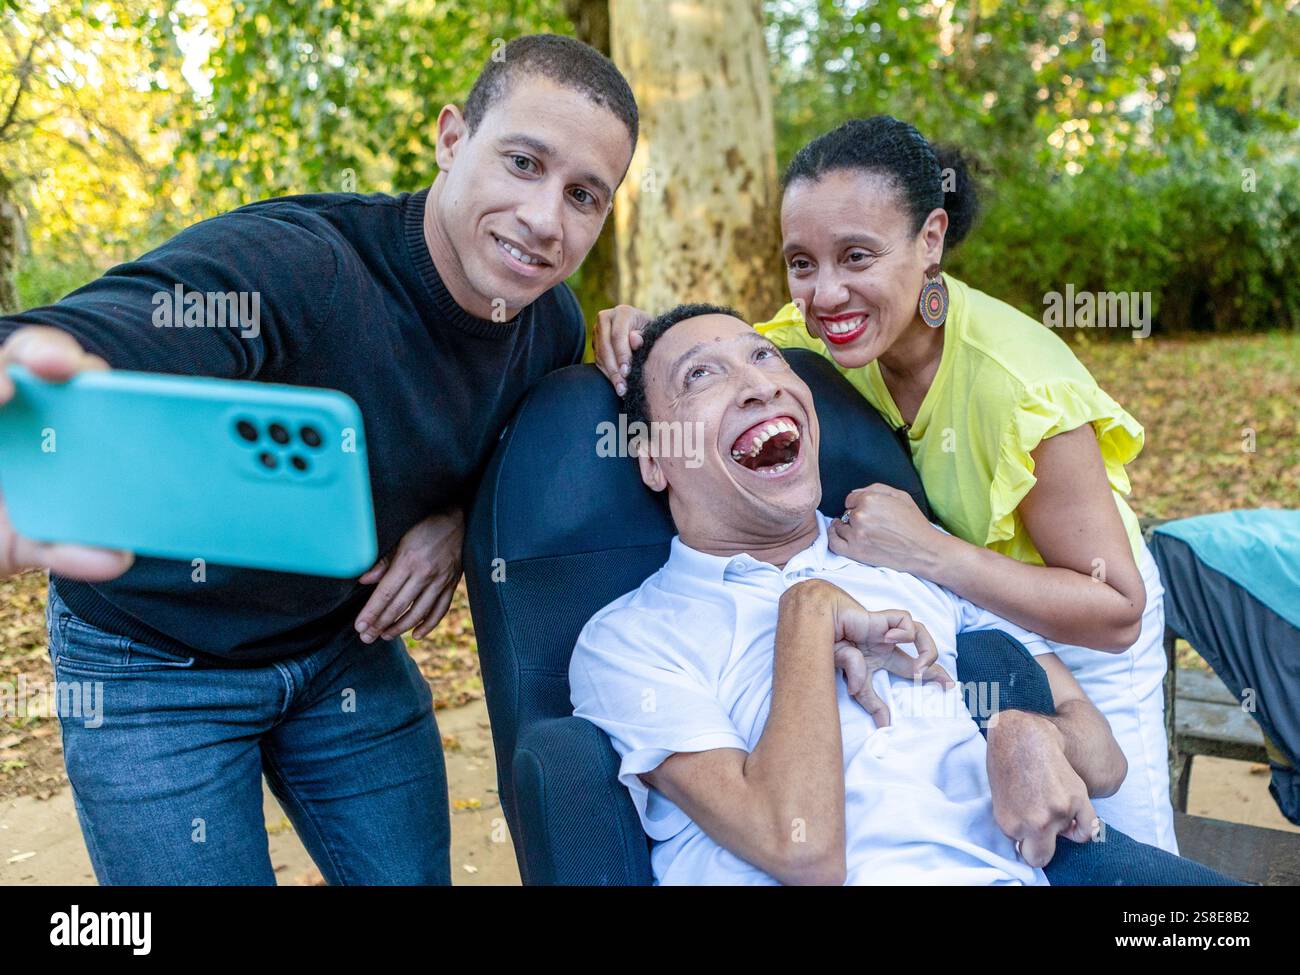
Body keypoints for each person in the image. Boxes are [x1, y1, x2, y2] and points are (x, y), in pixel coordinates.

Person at [0, 33, 637, 885]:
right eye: (523, 162)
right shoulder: (301, 266)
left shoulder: (550, 324)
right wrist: (30, 396)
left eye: (585, 195)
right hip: (152, 666)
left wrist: (457, 520)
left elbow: (523, 445)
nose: (545, 218)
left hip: (346, 648)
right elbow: (92, 337)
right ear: (452, 141)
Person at [591, 116, 1177, 853]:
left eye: (857, 255)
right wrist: (642, 333)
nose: (825, 292)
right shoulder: (819, 336)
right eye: (800, 263)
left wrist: (929, 554)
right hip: (946, 600)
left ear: (930, 240)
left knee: (1127, 855)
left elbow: (1116, 609)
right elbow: (717, 357)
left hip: (1081, 616)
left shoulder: (1021, 383)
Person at [571, 304, 1135, 885]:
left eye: (764, 355)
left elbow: (1107, 761)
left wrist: (1035, 735)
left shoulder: (909, 548)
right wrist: (809, 612)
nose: (758, 386)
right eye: (701, 375)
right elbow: (803, 851)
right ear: (654, 462)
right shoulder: (628, 639)